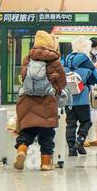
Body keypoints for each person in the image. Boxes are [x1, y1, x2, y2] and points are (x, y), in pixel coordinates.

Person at [14, 30, 67, 173]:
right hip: (46, 102)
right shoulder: (54, 61)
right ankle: (45, 163)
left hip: (26, 100)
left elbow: (23, 76)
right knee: (47, 134)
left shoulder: (28, 58)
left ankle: (22, 151)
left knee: (26, 132)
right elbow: (62, 82)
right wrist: (57, 89)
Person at [62, 37, 97, 156]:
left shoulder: (67, 58)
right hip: (82, 97)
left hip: (68, 97)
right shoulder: (86, 60)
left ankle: (71, 148)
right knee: (86, 122)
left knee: (70, 124)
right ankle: (80, 140)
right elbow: (94, 79)